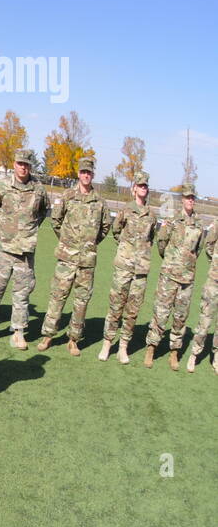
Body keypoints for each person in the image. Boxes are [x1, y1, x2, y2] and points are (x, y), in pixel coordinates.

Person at [0, 148, 50, 349]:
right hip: (3, 249)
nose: (22, 167)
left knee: (22, 295)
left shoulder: (39, 189)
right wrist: (3, 224)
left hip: (24, 253)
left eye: (26, 164)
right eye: (19, 163)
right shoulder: (3, 185)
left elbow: (43, 212)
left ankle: (18, 332)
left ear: (30, 166)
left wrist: (28, 229)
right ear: (14, 164)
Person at [36, 155, 112, 354]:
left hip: (87, 261)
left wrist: (90, 243)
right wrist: (66, 241)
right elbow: (55, 220)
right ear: (78, 174)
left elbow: (105, 228)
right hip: (66, 258)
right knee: (57, 297)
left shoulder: (100, 202)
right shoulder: (68, 196)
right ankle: (47, 335)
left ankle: (74, 339)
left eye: (89, 172)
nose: (86, 175)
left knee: (81, 301)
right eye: (83, 172)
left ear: (93, 175)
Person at [144, 185, 206, 370]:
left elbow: (199, 249)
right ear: (182, 199)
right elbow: (161, 242)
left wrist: (187, 263)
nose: (190, 200)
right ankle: (151, 348)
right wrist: (170, 260)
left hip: (187, 279)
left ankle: (174, 353)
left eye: (193, 198)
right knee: (161, 312)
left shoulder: (199, 224)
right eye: (187, 197)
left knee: (180, 317)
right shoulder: (171, 220)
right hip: (169, 276)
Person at [98, 172, 158, 363]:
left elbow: (151, 238)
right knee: (116, 305)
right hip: (124, 266)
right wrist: (125, 249)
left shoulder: (151, 215)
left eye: (145, 186)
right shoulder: (126, 210)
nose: (143, 188)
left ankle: (123, 347)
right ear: (134, 189)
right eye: (140, 185)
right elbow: (116, 230)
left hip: (140, 270)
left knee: (133, 310)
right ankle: (107, 343)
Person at [186, 223, 217, 374]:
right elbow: (209, 245)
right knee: (205, 321)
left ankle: (216, 358)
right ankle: (194, 355)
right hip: (214, 281)